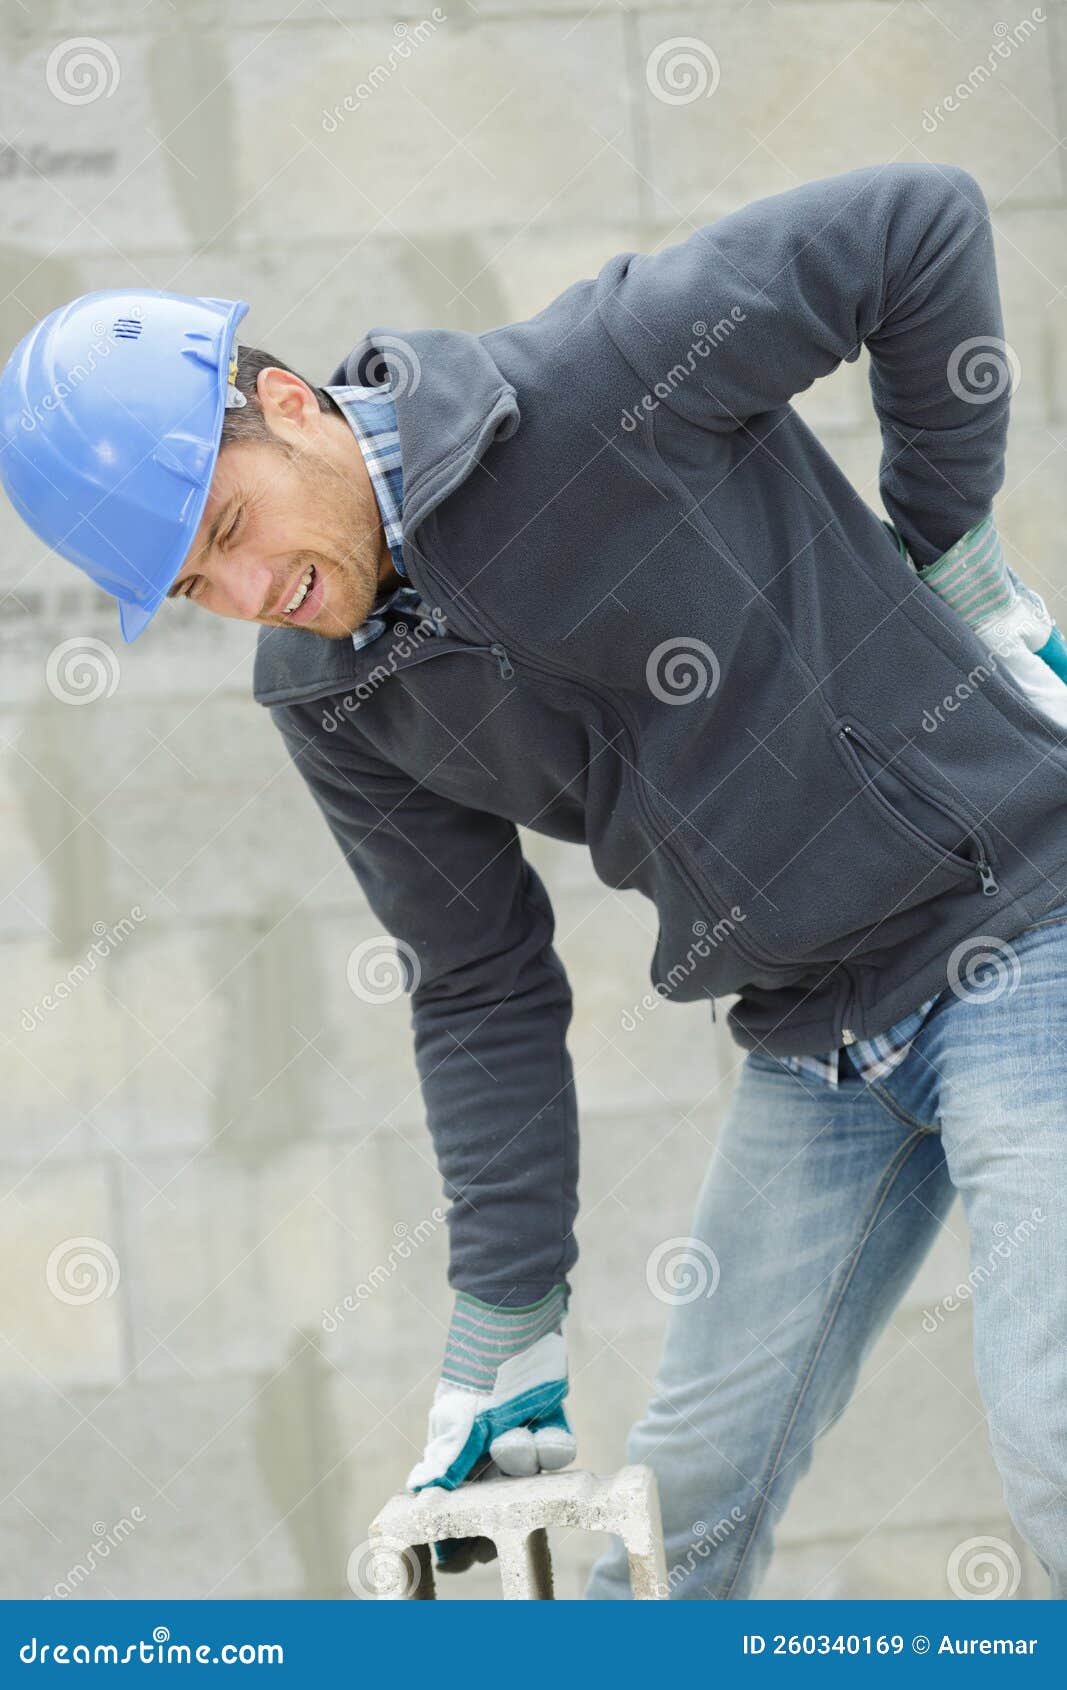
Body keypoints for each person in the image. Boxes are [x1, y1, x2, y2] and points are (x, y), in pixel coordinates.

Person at [4, 162, 1067, 1599]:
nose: (250, 594)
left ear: (294, 408)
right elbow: (479, 978)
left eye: (233, 531)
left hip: (1017, 918)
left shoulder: (593, 383)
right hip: (818, 1030)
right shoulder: (328, 693)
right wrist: (507, 1316)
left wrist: (954, 553)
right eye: (197, 586)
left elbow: (917, 226)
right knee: (672, 1530)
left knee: (1055, 1437)